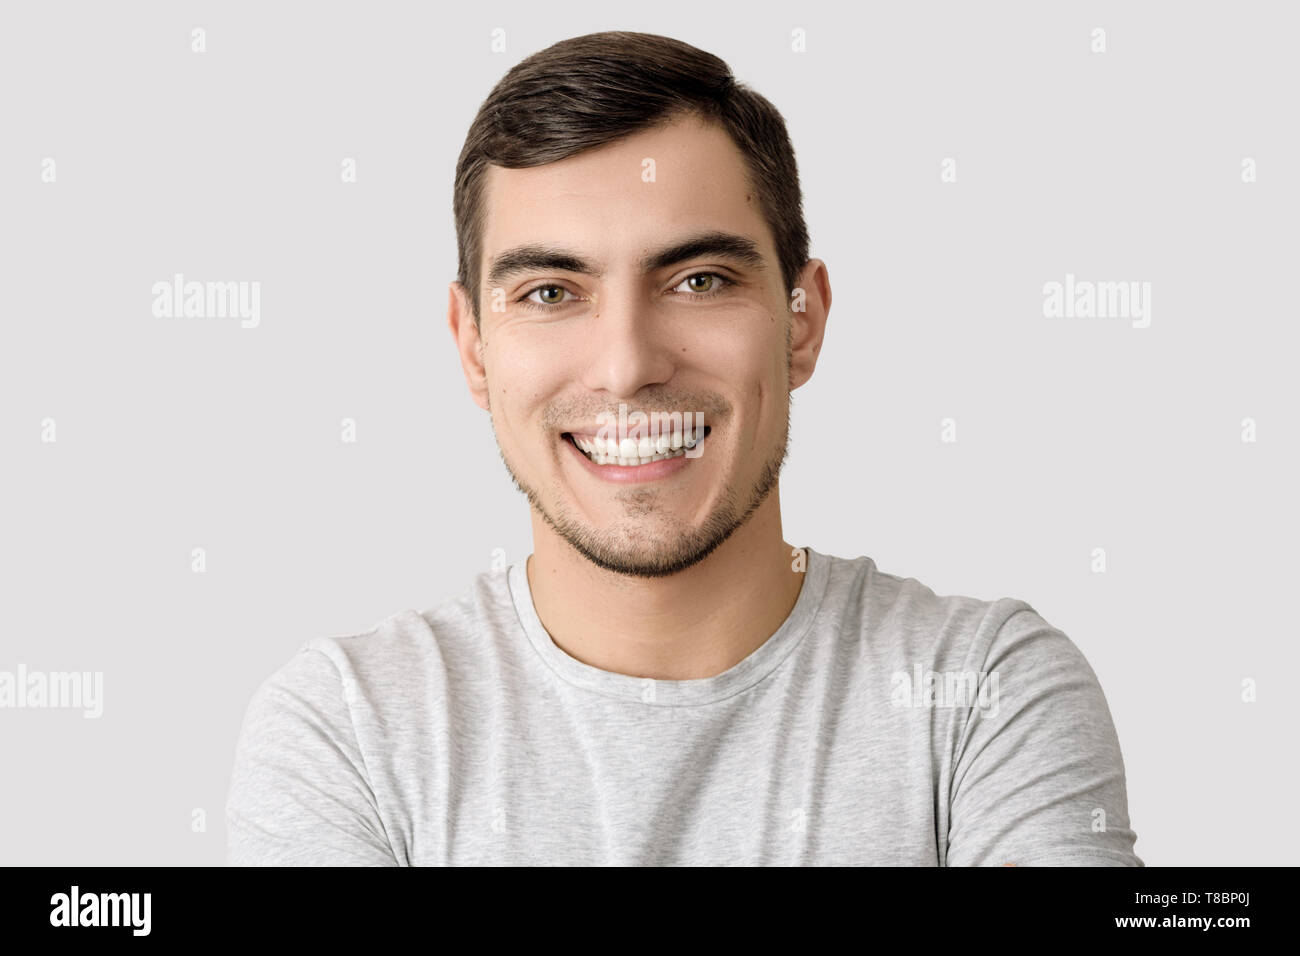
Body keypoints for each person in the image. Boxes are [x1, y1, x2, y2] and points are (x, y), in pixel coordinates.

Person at [226, 30, 1142, 866]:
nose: (627, 367)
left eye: (699, 279)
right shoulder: (347, 726)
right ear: (473, 346)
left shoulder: (981, 693)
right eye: (550, 292)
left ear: (801, 321)